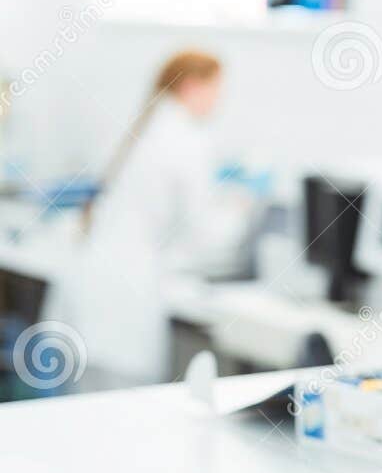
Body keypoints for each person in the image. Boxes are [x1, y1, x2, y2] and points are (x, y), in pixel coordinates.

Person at [48, 50, 250, 385]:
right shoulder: (187, 139)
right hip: (125, 295)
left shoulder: (148, 127)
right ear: (190, 87)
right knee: (123, 416)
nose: (219, 100)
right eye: (216, 89)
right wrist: (239, 213)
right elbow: (204, 232)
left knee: (88, 416)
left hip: (91, 285)